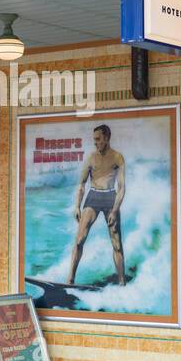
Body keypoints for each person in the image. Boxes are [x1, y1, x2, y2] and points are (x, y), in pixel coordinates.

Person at [67, 123, 127, 286]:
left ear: (107, 138)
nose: (95, 142)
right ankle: (70, 280)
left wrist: (115, 211)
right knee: (79, 240)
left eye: (98, 139)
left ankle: (122, 283)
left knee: (116, 244)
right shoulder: (91, 158)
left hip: (110, 198)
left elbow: (121, 188)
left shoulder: (117, 157)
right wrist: (77, 206)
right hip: (93, 196)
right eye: (94, 139)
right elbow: (81, 184)